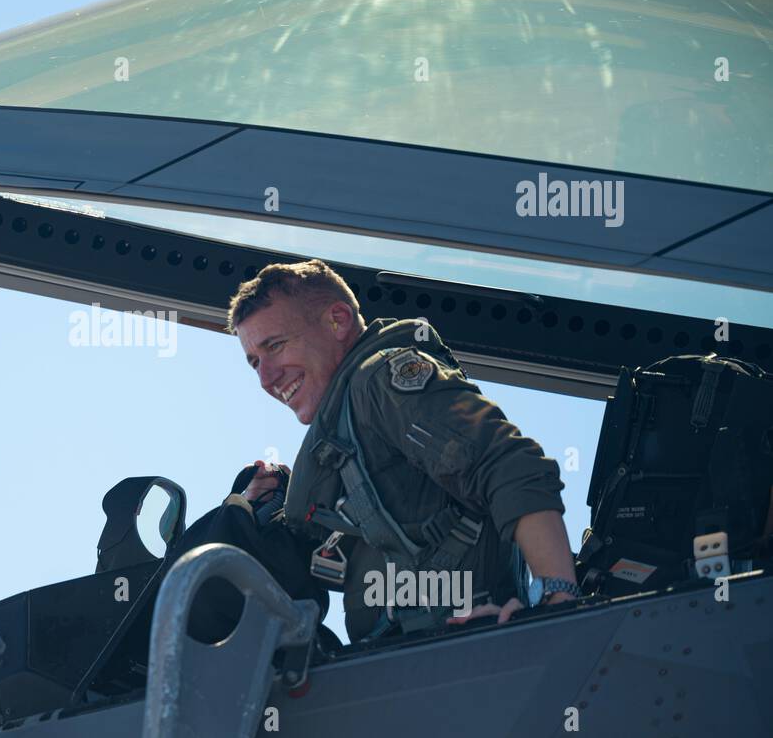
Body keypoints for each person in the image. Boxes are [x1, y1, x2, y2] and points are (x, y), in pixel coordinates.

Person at [219, 258, 578, 644]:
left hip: (458, 654)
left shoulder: (380, 381)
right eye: (255, 361)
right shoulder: (347, 435)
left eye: (275, 346)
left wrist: (557, 603)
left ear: (337, 321)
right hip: (406, 658)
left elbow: (508, 464)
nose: (266, 378)